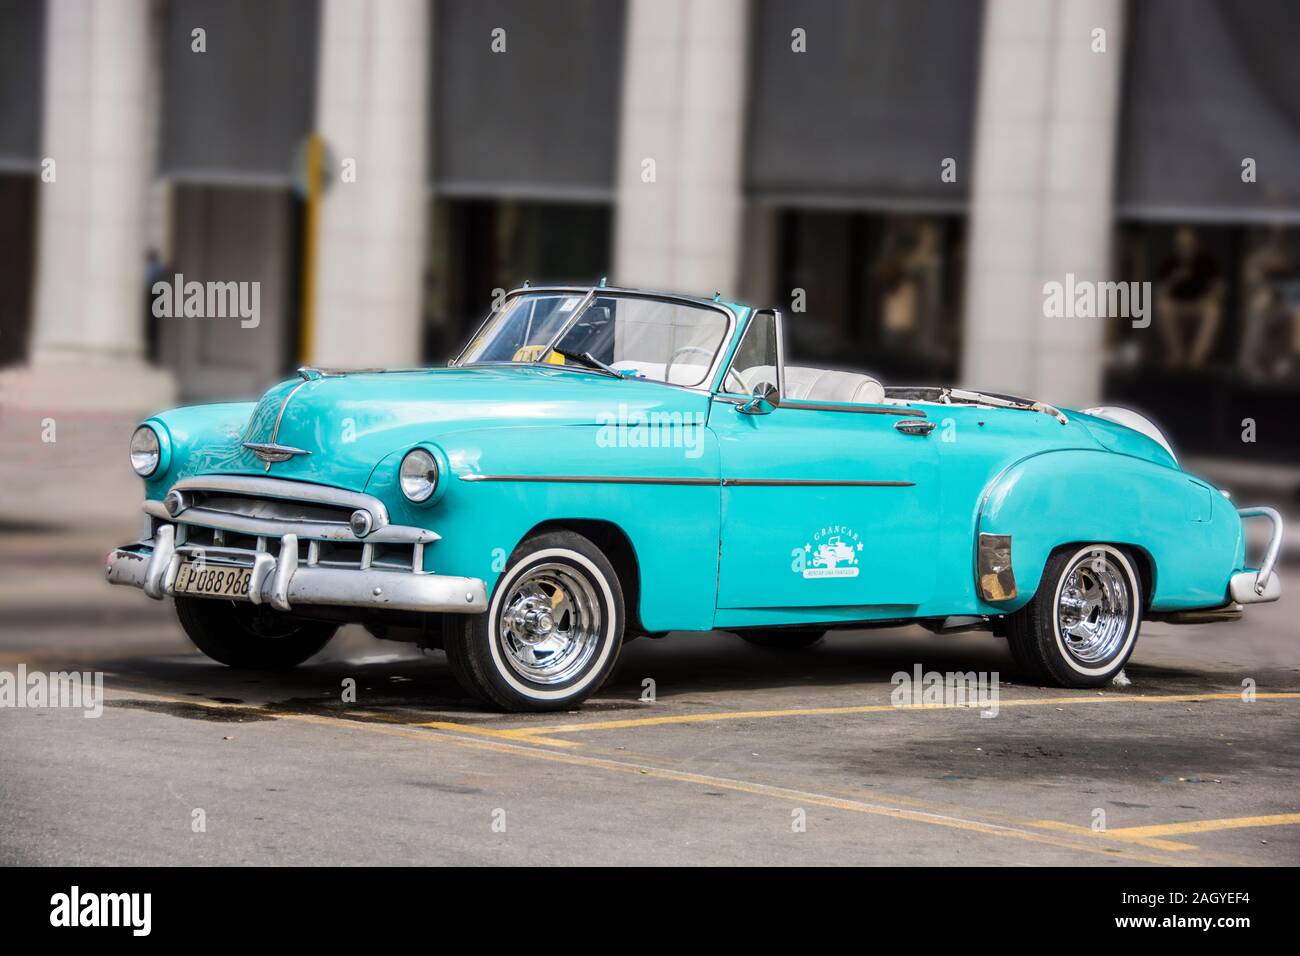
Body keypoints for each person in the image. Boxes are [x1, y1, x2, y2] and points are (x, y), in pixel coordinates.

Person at [1155, 227, 1224, 369]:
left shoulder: (1206, 261)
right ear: (1176, 246)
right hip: (1177, 306)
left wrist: (1212, 294)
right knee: (1162, 306)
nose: (1185, 248)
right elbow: (1159, 292)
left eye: (1189, 244)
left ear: (1196, 244)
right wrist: (1174, 279)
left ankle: (1197, 356)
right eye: (1181, 245)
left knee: (1213, 309)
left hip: (1199, 305)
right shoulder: (1169, 263)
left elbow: (1219, 287)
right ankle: (1176, 354)